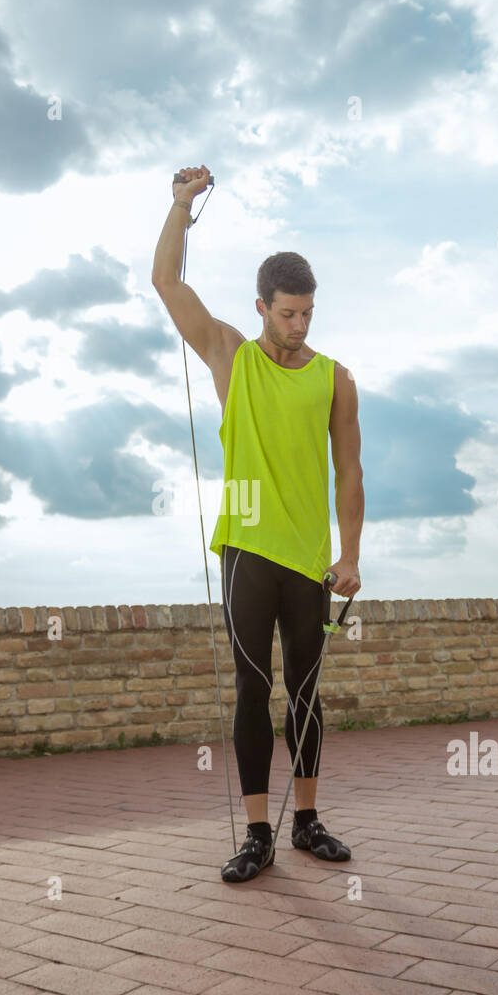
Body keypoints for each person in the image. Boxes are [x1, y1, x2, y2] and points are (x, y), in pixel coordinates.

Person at [152, 164, 364, 882]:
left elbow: (349, 472)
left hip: (309, 555)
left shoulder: (334, 377)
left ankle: (306, 821)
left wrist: (350, 554)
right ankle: (256, 833)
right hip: (245, 547)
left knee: (306, 692)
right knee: (253, 690)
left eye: (307, 313)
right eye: (286, 313)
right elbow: (168, 286)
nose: (298, 325)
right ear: (261, 306)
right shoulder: (231, 357)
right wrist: (180, 207)